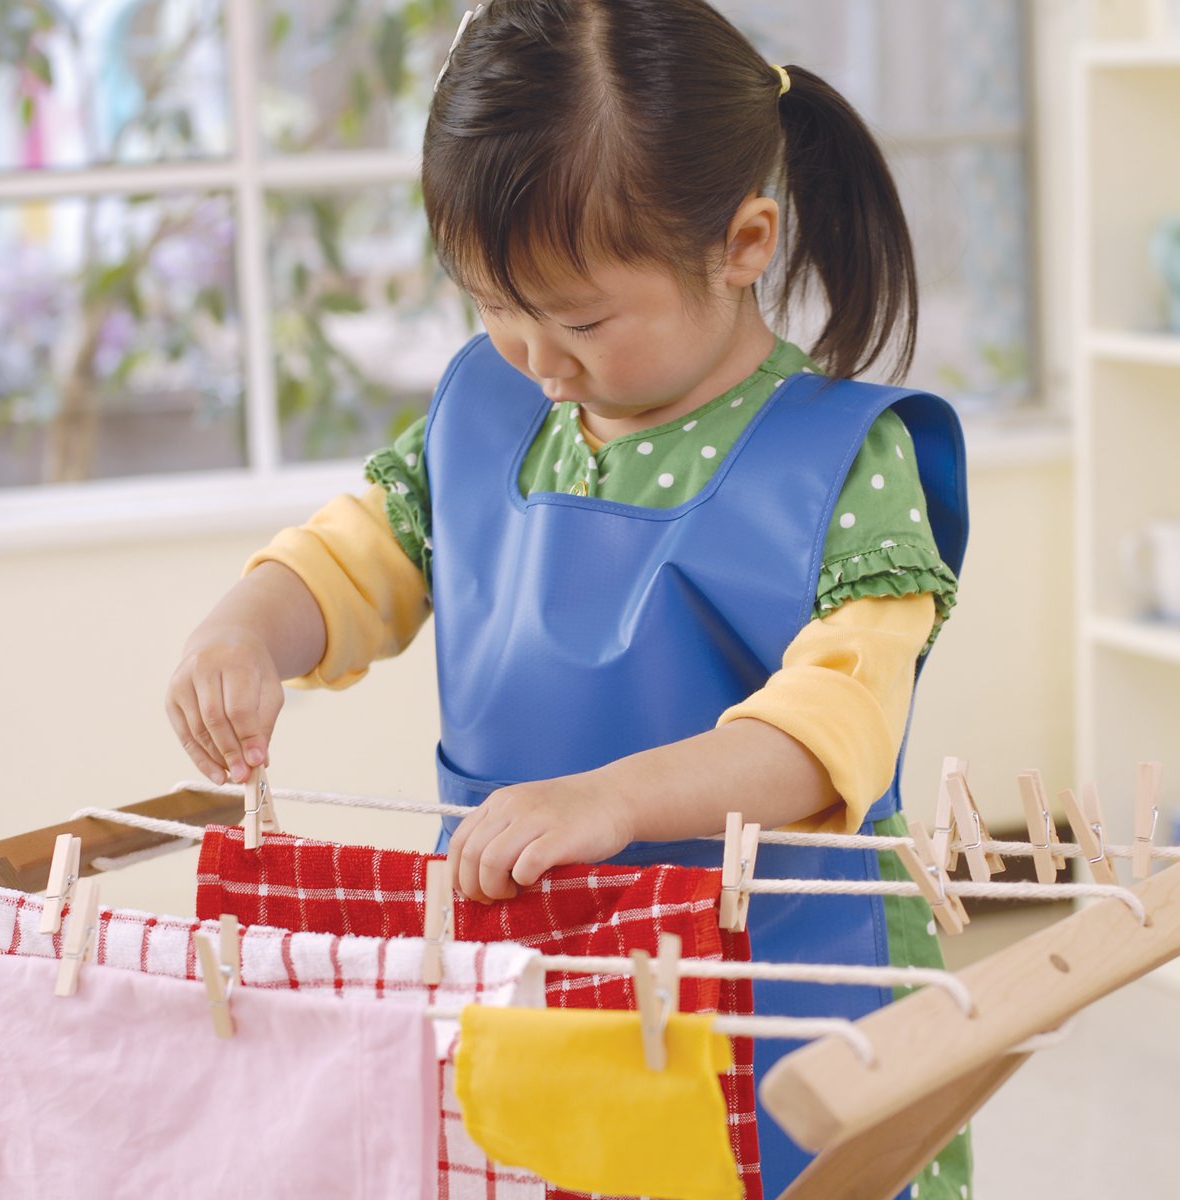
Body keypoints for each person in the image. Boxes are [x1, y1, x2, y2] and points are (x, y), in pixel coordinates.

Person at [165, 1, 971, 1195]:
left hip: (783, 987)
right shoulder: (489, 413)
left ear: (747, 241)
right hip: (537, 956)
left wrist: (614, 800)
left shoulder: (846, 460)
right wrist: (248, 628)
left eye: (583, 317)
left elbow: (831, 730)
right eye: (492, 305)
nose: (537, 358)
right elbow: (356, 558)